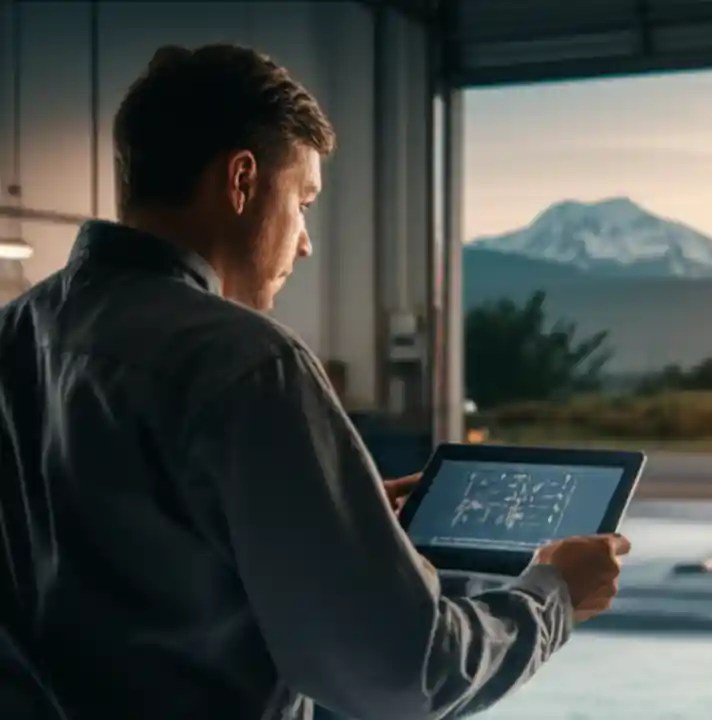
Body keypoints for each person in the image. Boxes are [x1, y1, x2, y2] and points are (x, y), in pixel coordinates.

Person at [0, 44, 630, 720]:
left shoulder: (16, 332)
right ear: (241, 181)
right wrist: (555, 594)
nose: (305, 242)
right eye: (303, 200)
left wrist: (324, 521)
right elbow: (399, 673)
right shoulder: (248, 363)